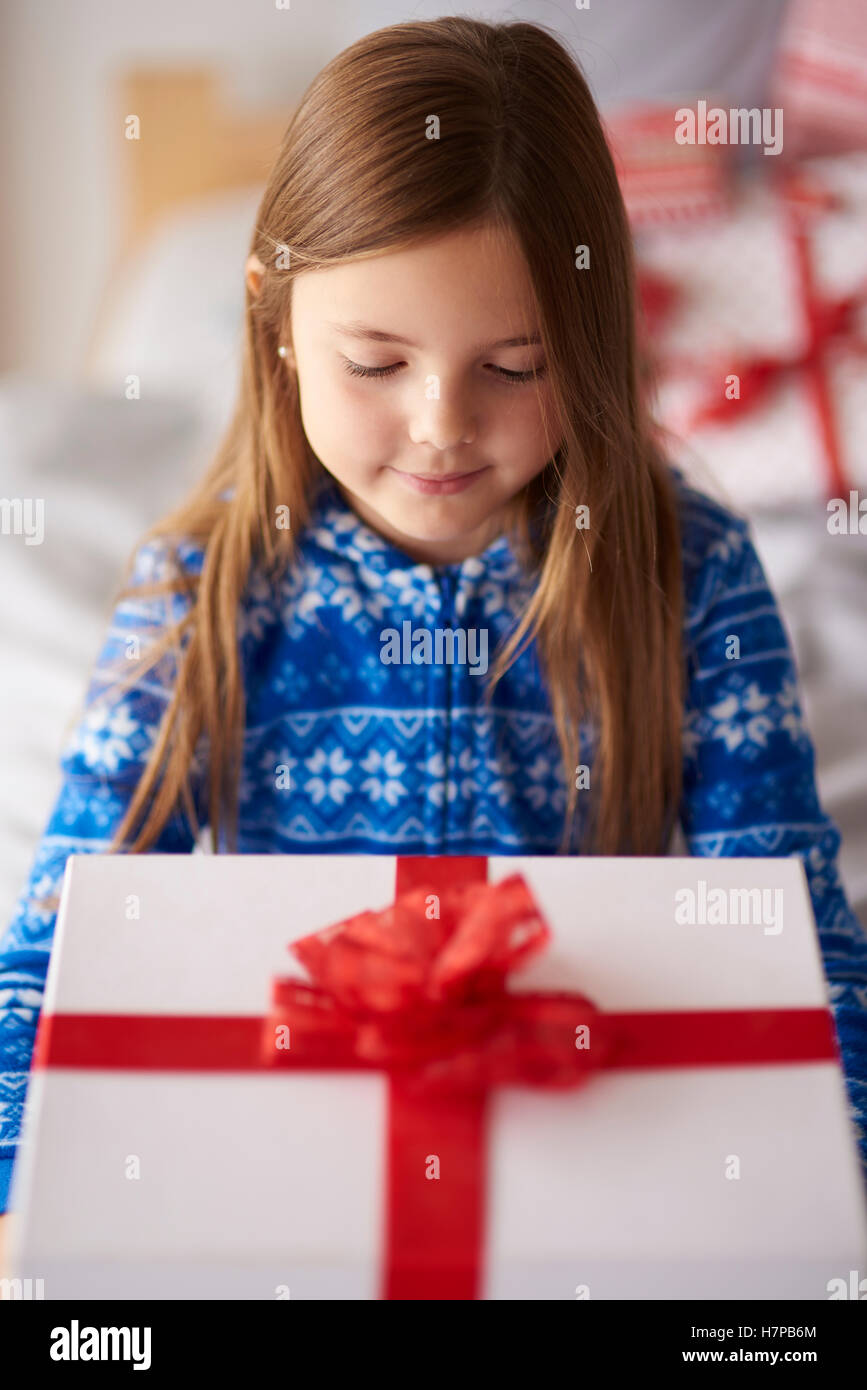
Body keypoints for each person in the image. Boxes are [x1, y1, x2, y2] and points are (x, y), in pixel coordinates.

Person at [2, 16, 866, 1246]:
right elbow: (66, 930)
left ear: (598, 337)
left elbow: (794, 928)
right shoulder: (200, 587)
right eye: (375, 362)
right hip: (286, 1158)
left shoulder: (696, 575)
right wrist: (14, 1187)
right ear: (274, 321)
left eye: (515, 367)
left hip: (598, 1152)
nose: (441, 426)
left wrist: (837, 1190)